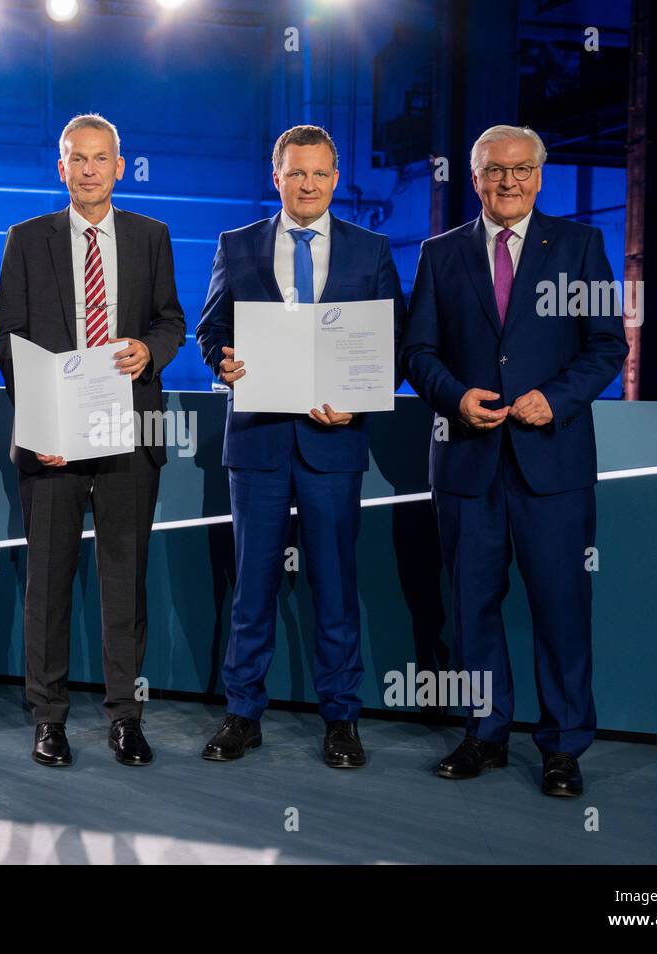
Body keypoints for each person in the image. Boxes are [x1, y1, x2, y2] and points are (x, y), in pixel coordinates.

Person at [400, 124, 629, 796]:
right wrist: (455, 397)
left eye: (521, 169)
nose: (508, 182)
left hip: (550, 463)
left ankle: (562, 747)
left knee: (562, 606)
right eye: (494, 171)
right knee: (472, 607)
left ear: (539, 175)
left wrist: (552, 400)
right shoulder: (439, 254)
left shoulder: (581, 245)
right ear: (474, 179)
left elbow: (607, 348)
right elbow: (418, 354)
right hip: (467, 461)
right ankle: (484, 732)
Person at [194, 124, 404, 768]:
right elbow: (211, 330)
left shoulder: (371, 250)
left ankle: (341, 718)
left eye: (319, 174)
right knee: (251, 587)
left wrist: (361, 397)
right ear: (275, 176)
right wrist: (222, 362)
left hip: (333, 443)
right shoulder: (238, 244)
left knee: (336, 588)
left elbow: (392, 346)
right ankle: (241, 713)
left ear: (335, 180)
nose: (307, 185)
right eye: (295, 173)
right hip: (257, 441)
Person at [0, 113, 185, 767]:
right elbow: (8, 338)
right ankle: (48, 719)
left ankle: (125, 717)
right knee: (46, 583)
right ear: (61, 167)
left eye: (101, 158)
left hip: (128, 434)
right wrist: (42, 423)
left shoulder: (150, 236)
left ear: (119, 166)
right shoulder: (26, 238)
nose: (89, 169)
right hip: (52, 442)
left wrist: (148, 350)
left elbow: (171, 320)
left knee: (124, 583)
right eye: (77, 158)